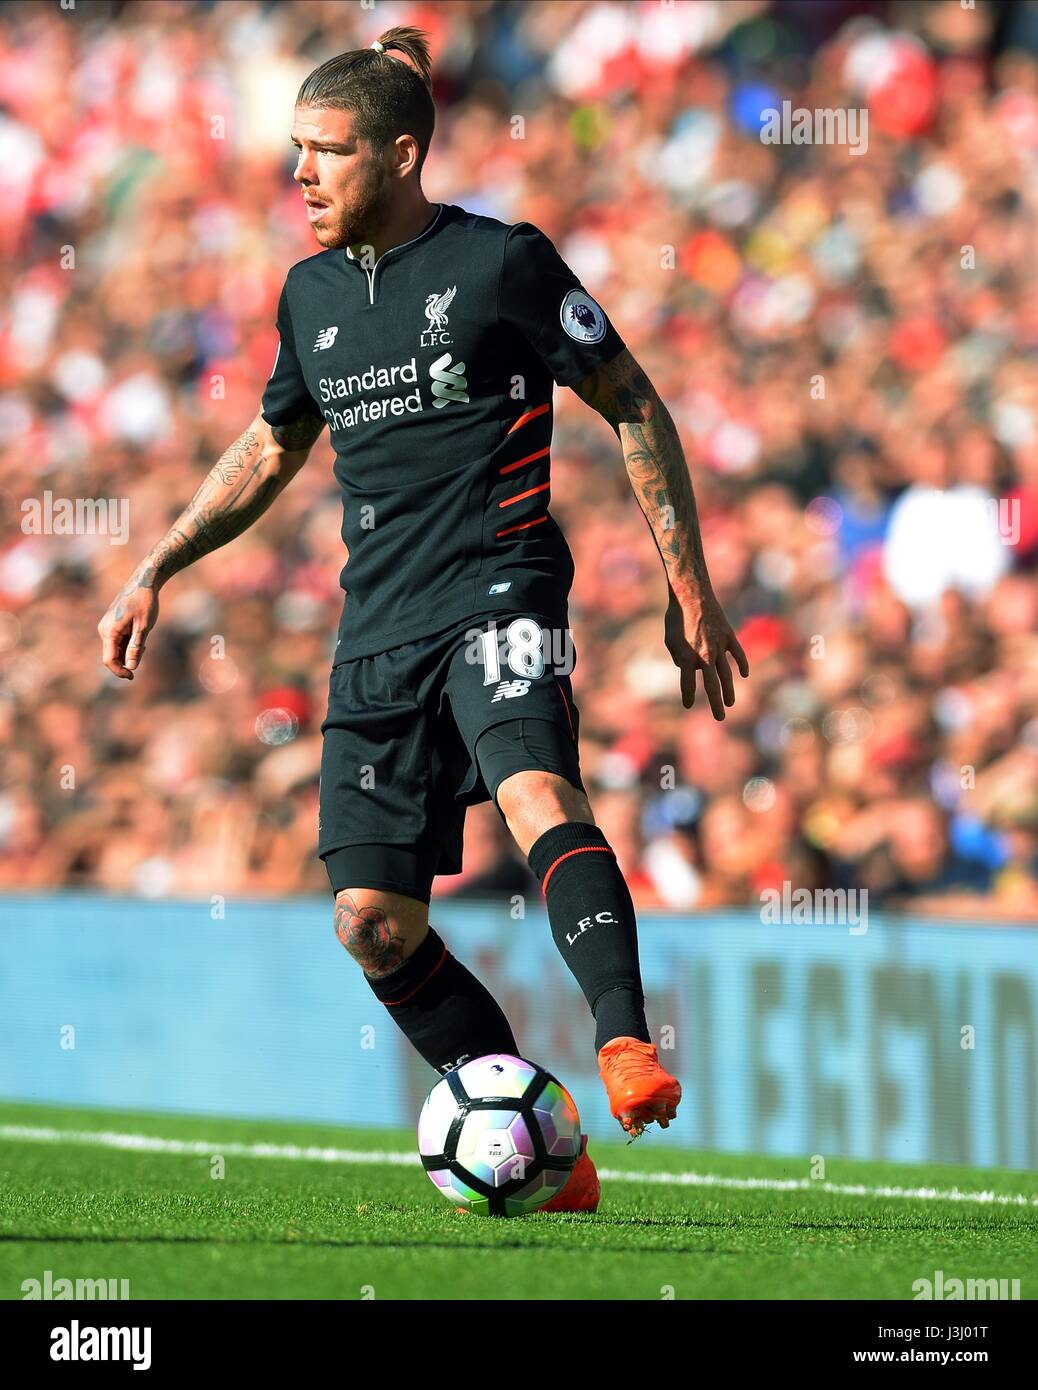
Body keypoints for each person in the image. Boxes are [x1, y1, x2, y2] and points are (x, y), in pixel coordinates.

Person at [97, 26, 748, 1213]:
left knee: (537, 791)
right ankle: (542, 1141)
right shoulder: (308, 294)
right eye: (295, 149)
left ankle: (622, 1040)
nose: (299, 174)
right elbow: (270, 445)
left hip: (500, 587)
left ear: (401, 155)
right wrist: (161, 561)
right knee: (372, 923)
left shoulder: (502, 263)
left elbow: (632, 402)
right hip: (376, 629)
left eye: (326, 152)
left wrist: (688, 584)